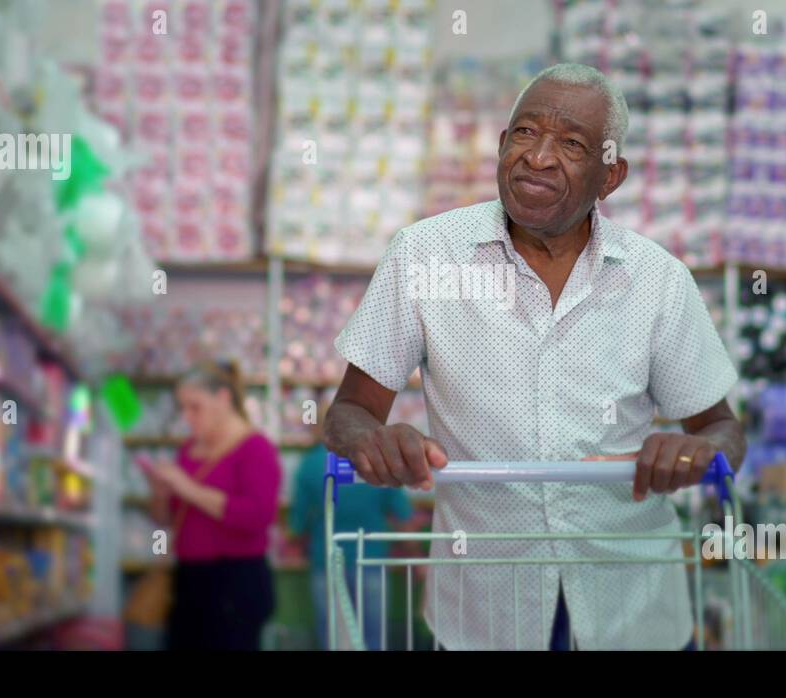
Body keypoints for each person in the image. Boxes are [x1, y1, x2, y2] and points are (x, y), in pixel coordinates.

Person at [323, 63, 747, 651]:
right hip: (484, 615)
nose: (539, 157)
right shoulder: (424, 255)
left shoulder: (658, 280)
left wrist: (699, 450)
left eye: (571, 143)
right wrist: (372, 438)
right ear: (501, 146)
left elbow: (723, 429)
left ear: (611, 176)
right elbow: (348, 412)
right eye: (525, 133)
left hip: (632, 611)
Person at [147, 360, 281, 650]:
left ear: (223, 398)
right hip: (188, 578)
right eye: (182, 408)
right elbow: (166, 519)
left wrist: (187, 487)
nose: (188, 417)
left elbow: (257, 517)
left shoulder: (256, 448)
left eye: (195, 407)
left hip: (235, 582)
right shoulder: (187, 450)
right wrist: (159, 492)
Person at [288, 438, 414, 650]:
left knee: (334, 636)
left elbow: (298, 525)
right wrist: (414, 553)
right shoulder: (378, 462)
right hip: (371, 559)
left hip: (325, 560)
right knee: (374, 636)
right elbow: (402, 516)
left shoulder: (310, 464)